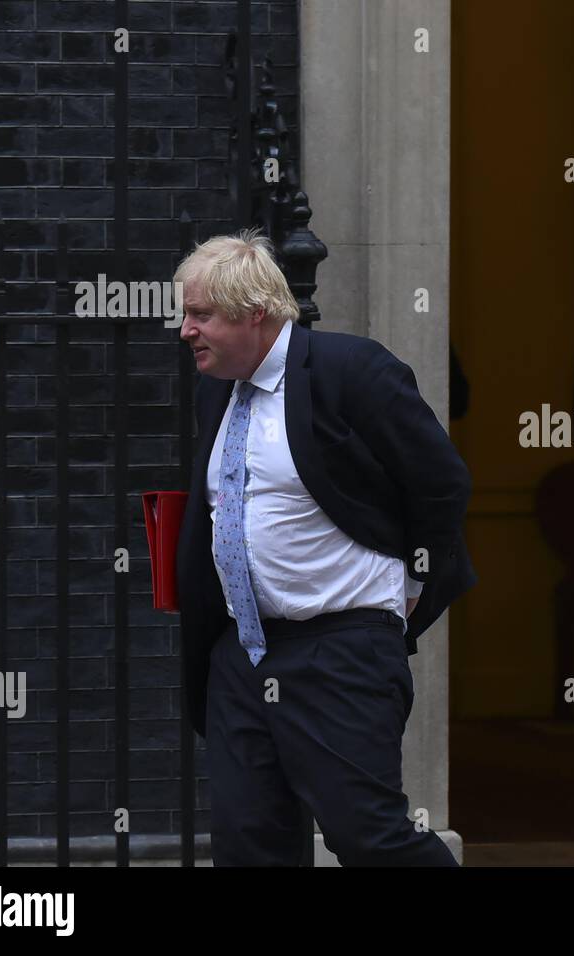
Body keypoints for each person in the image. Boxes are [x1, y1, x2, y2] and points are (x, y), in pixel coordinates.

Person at [174, 228, 473, 866]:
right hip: (242, 654)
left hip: (338, 649)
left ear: (253, 312)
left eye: (200, 315)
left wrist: (410, 590)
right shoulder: (215, 389)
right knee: (250, 846)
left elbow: (440, 482)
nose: (185, 330)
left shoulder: (352, 371)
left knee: (371, 839)